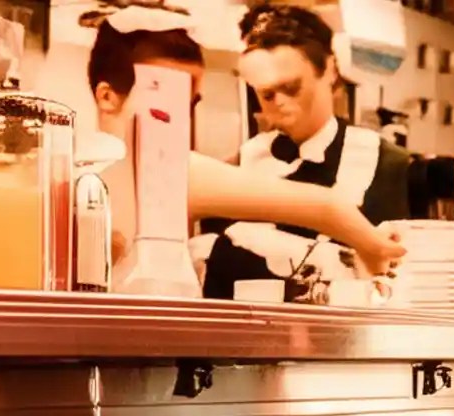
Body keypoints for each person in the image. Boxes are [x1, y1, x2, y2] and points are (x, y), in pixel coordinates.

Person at [83, 8, 404, 288]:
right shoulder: (146, 168)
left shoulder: (91, 166)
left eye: (189, 104)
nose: (180, 122)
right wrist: (376, 248)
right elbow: (327, 208)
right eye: (163, 102)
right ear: (107, 96)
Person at [197, 4, 411, 301]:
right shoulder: (239, 166)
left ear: (330, 71)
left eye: (292, 87)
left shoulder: (388, 165)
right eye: (267, 94)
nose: (279, 102)